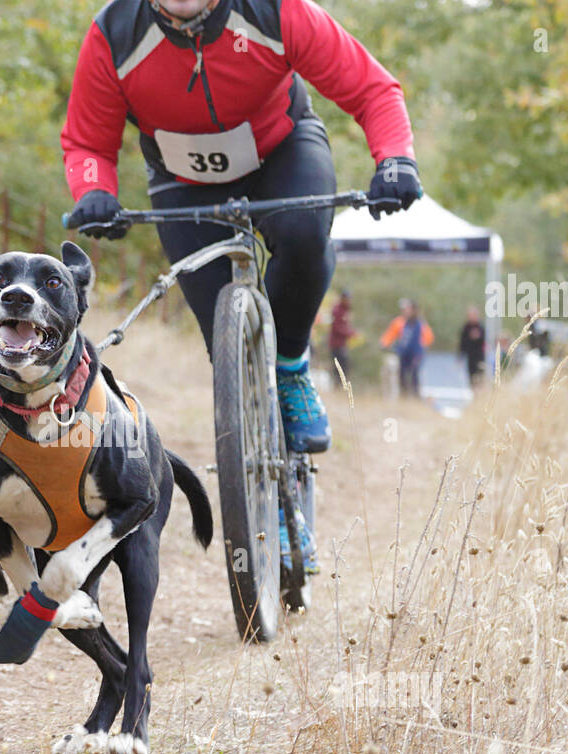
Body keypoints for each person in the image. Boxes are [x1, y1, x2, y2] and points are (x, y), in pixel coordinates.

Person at [61, 0, 421, 574]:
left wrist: (395, 159)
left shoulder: (277, 12)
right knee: (226, 352)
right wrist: (93, 191)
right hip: (182, 186)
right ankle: (270, 506)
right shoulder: (114, 33)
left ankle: (292, 366)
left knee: (305, 236)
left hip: (282, 153)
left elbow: (372, 89)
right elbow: (87, 142)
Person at [379, 298, 433, 396]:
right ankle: (404, 395)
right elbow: (390, 335)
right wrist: (384, 343)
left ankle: (415, 395)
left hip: (416, 354)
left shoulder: (420, 323)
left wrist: (422, 347)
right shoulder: (399, 322)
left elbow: (428, 337)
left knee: (414, 375)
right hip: (403, 353)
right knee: (402, 375)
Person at [327, 290, 359, 381]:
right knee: (339, 366)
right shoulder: (337, 310)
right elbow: (337, 327)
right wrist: (350, 333)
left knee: (345, 365)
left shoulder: (346, 310)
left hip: (342, 344)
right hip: (336, 344)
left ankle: (343, 385)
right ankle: (338, 384)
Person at [458, 305, 486, 385]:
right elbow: (462, 341)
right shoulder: (466, 327)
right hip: (470, 355)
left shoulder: (481, 327)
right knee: (471, 375)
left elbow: (485, 340)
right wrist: (460, 354)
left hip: (480, 355)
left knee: (480, 375)